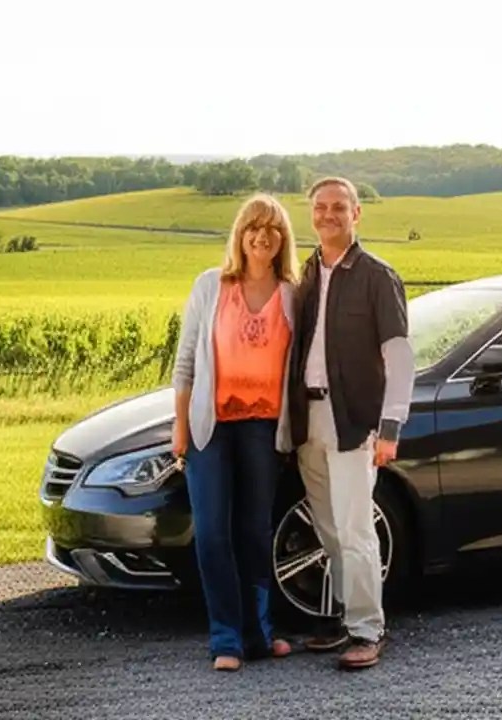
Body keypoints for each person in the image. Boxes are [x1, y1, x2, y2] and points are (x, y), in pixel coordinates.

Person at [171, 192, 301, 672]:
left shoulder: (292, 293)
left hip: (264, 429)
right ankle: (226, 639)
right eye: (253, 226)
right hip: (212, 427)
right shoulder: (210, 286)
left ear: (282, 239)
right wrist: (179, 427)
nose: (261, 235)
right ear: (240, 235)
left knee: (254, 531)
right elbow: (185, 363)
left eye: (272, 228)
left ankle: (259, 635)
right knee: (211, 533)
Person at [288, 176, 414, 670]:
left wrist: (390, 428)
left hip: (353, 421)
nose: (328, 215)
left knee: (356, 528)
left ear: (356, 214)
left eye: (339, 207)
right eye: (320, 207)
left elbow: (399, 357)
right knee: (328, 526)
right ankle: (343, 618)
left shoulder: (378, 276)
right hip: (308, 418)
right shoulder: (306, 273)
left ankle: (367, 629)